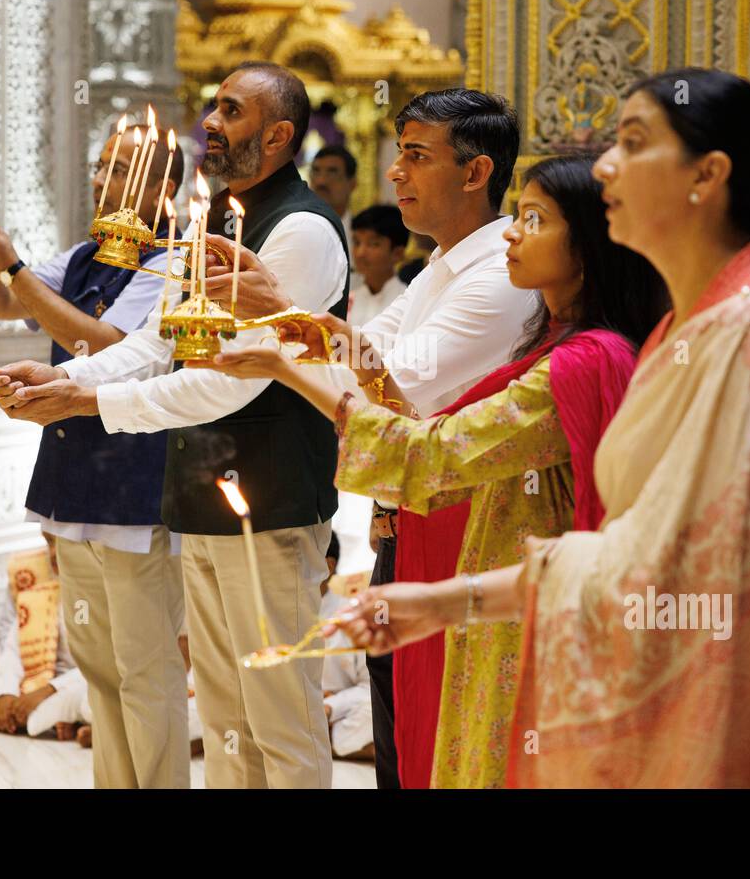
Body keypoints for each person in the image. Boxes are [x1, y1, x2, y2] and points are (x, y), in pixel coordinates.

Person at [328, 68, 750, 789]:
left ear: (706, 177)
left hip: (748, 666)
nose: (607, 163)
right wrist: (441, 603)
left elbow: (670, 564)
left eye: (633, 142)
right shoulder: (686, 323)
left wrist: (448, 600)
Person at [190, 154, 664, 786]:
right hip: (489, 582)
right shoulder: (538, 332)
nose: (514, 234)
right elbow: (386, 376)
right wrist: (296, 327)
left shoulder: (577, 361)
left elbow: (429, 453)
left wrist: (285, 368)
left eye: (535, 220)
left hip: (524, 604)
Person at [0, 61, 349, 789]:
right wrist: (65, 377)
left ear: (279, 135)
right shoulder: (207, 222)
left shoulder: (302, 231)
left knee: (280, 718)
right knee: (223, 720)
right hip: (199, 498)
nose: (210, 123)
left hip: (273, 501)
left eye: (232, 111)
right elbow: (155, 344)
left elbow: (229, 382)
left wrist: (88, 402)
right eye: (212, 108)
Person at [198, 88, 536, 788]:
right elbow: (358, 361)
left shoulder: (500, 276)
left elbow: (397, 384)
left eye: (416, 156)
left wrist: (285, 321)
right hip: (406, 521)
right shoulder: (434, 271)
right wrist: (289, 329)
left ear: (476, 173)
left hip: (466, 526)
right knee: (397, 736)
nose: (396, 172)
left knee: (440, 733)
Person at [0, 122, 191, 788]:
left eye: (120, 171)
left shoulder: (175, 262)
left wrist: (14, 264)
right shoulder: (87, 256)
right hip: (74, 482)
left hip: (137, 488)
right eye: (101, 164)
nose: (102, 180)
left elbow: (99, 342)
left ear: (165, 190)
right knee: (98, 666)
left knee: (146, 667)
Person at [0, 551, 89, 741]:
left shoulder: (92, 598)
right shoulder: (37, 596)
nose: (55, 552)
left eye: (62, 542)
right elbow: (12, 652)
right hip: (35, 687)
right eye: (49, 541)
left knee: (87, 700)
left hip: (72, 686)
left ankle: (3, 723)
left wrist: (48, 690)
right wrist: (7, 693)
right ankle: (41, 721)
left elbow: (99, 665)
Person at [320, 533, 372, 761]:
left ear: (328, 566)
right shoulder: (275, 608)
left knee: (373, 707)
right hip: (288, 709)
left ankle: (329, 745)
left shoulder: (351, 612)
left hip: (337, 712)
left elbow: (368, 687)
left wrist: (329, 706)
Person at [346, 204, 408, 328]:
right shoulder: (348, 301)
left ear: (397, 253)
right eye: (357, 242)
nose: (360, 253)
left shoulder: (409, 300)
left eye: (373, 244)